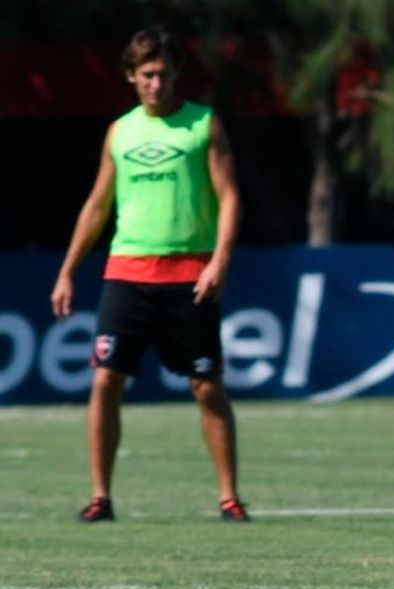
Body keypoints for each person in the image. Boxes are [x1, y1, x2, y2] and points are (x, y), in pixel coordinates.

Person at [50, 27, 249, 523]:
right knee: (104, 381)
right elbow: (98, 205)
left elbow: (229, 197)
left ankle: (229, 496)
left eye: (163, 74)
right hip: (127, 274)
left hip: (190, 274)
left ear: (176, 74)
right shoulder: (121, 131)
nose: (156, 84)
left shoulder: (203, 124)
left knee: (206, 387)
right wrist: (68, 271)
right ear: (131, 78)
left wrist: (220, 261)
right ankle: (101, 497)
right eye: (147, 76)